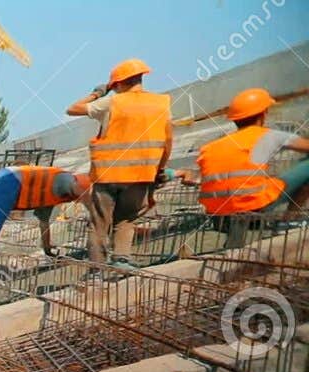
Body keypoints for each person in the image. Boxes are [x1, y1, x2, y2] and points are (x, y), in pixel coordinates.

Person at [67, 58, 172, 266]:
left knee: (99, 224)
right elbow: (168, 141)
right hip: (141, 174)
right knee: (127, 219)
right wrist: (159, 169)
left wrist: (99, 92)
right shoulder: (161, 103)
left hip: (108, 175)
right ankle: (122, 260)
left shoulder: (112, 102)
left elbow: (73, 109)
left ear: (118, 84)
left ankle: (96, 270)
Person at [185, 88, 309, 246]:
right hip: (253, 206)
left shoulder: (211, 146)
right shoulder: (268, 135)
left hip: (216, 212)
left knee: (242, 191)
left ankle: (234, 242)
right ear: (263, 114)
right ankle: (290, 220)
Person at [0, 166, 92, 297]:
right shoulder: (66, 180)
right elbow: (76, 188)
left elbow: (44, 223)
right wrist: (96, 214)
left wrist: (48, 251)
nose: (77, 201)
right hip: (10, 181)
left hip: (3, 176)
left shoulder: (50, 196)